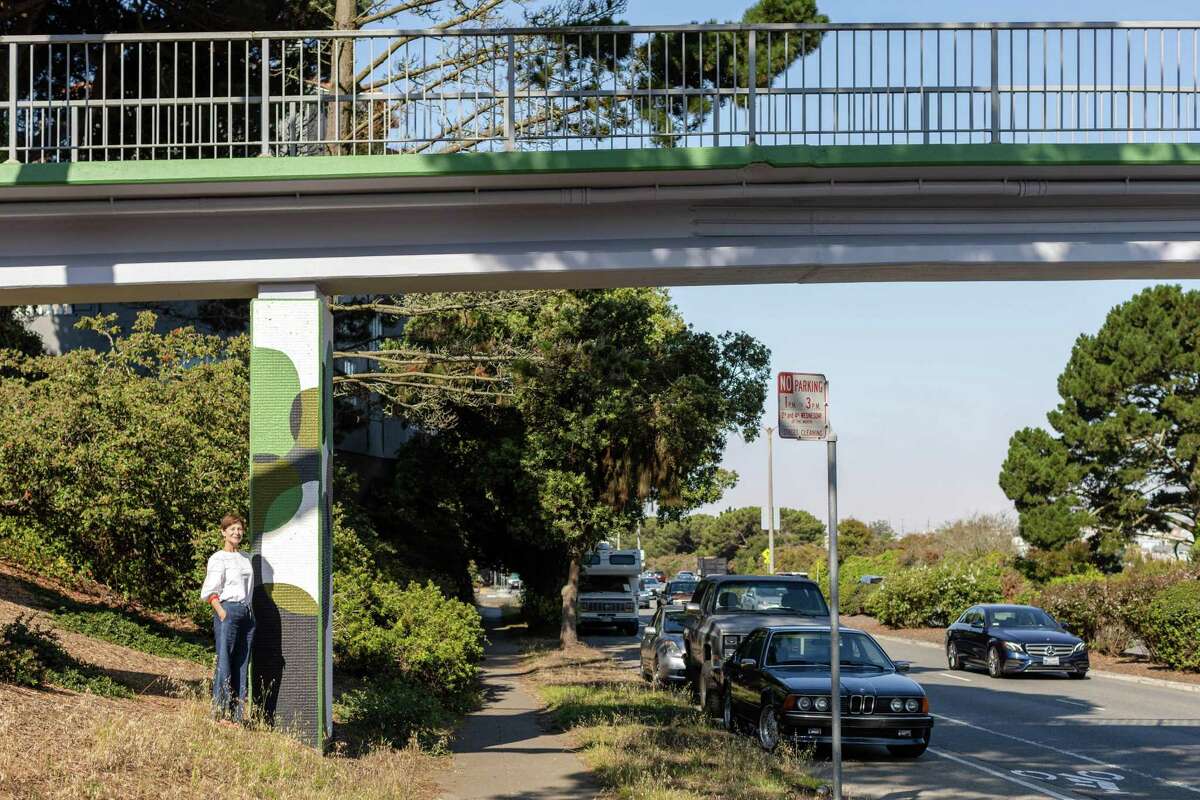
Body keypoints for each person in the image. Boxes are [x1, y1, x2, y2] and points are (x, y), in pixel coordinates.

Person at [199, 514, 255, 724]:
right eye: (231, 529)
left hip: (247, 613)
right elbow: (211, 590)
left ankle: (237, 715)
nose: (236, 532)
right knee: (225, 661)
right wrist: (222, 612)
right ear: (223, 532)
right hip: (228, 610)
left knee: (242, 663)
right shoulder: (218, 558)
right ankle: (219, 712)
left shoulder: (246, 557)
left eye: (239, 529)